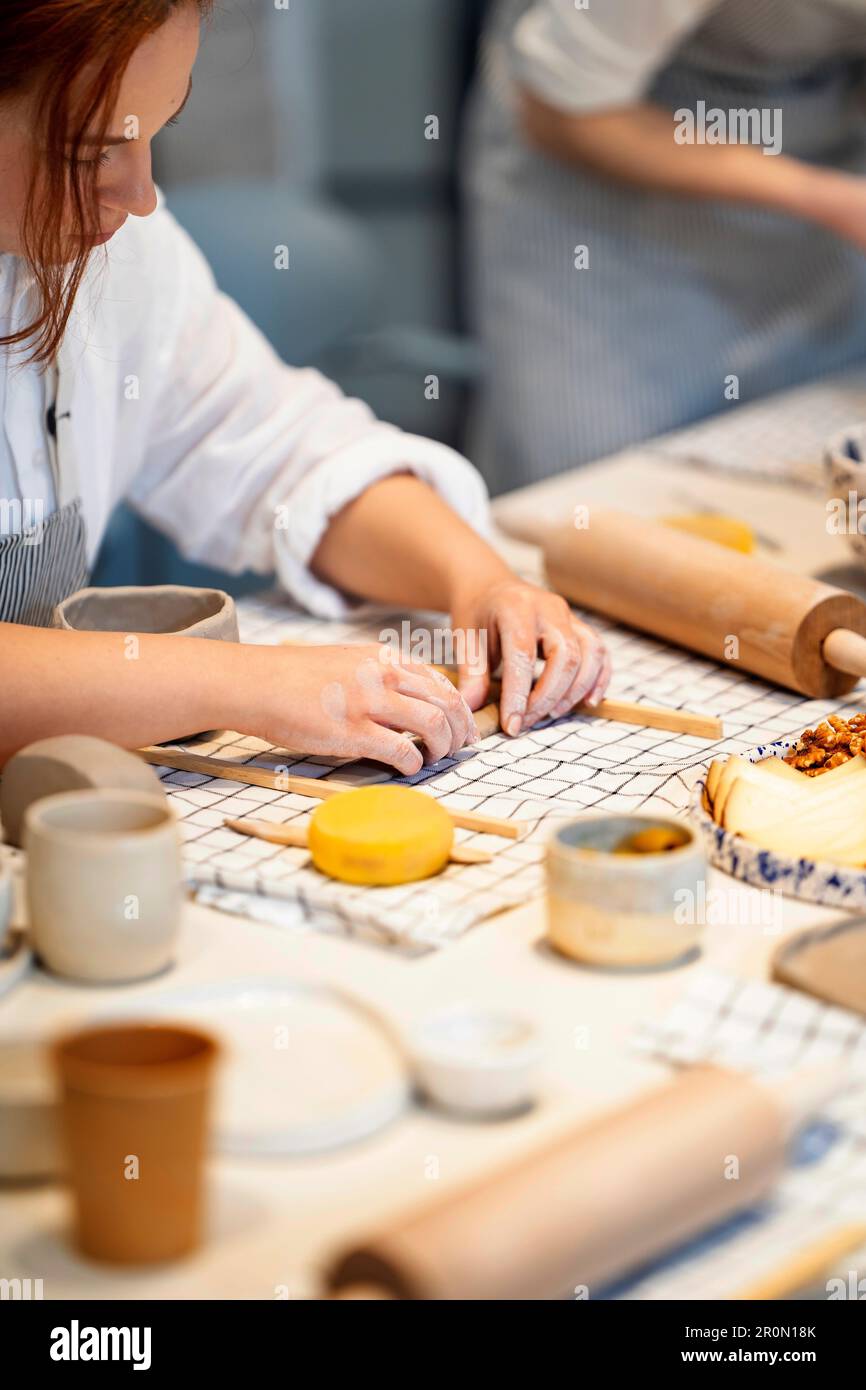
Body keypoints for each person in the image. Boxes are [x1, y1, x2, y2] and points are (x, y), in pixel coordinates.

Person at [0, 0, 610, 773]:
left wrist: (477, 578)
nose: (143, 196)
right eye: (92, 156)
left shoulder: (128, 256)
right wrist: (239, 682)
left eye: (156, 133)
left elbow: (282, 452)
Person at [463, 0, 866, 493]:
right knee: (598, 498)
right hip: (599, 155)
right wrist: (834, 202)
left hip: (825, 136)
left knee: (793, 470)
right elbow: (566, 110)